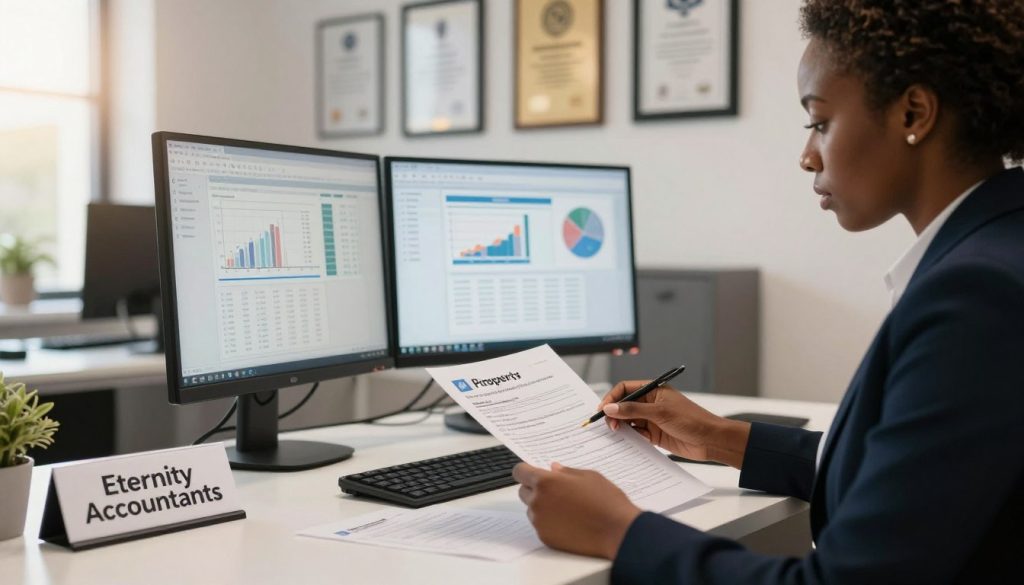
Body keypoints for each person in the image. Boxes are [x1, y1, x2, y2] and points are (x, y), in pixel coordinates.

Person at [512, 1, 1024, 582]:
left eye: (820, 122)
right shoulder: (1000, 246)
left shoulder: (977, 296)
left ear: (914, 112)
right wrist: (719, 438)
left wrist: (618, 531)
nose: (807, 156)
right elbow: (922, 482)